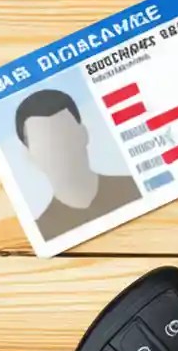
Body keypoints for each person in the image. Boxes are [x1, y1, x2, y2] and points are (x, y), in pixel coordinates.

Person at [15, 89, 141, 240]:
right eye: (44, 143)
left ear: (83, 134)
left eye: (64, 135)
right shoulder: (44, 233)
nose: (58, 151)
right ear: (30, 154)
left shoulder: (135, 188)